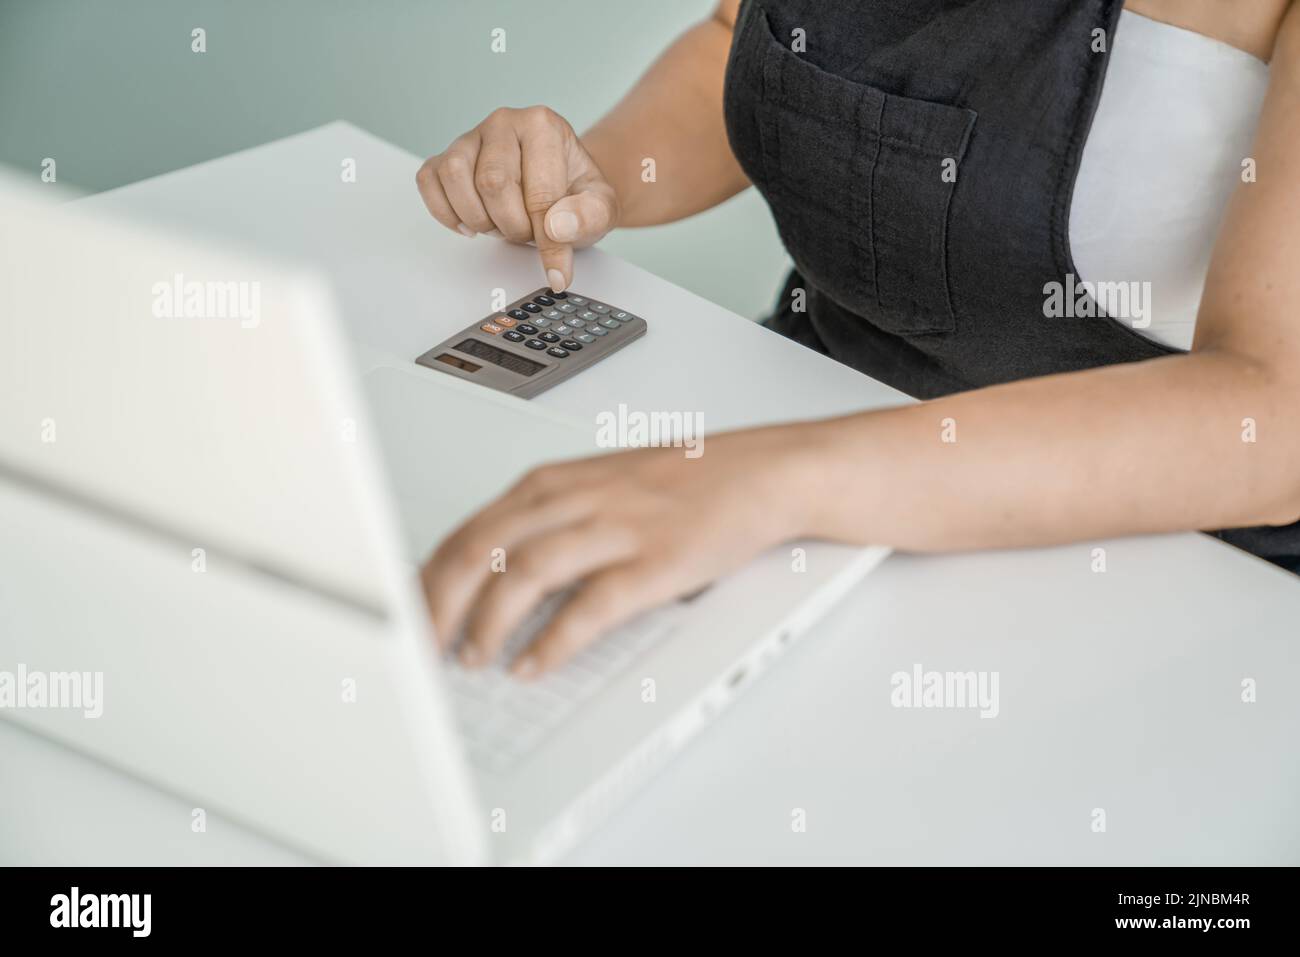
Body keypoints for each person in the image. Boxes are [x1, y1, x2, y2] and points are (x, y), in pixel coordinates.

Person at [414, 0, 1300, 678]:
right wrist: (598, 172)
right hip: (783, 468)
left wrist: (777, 479)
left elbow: (1272, 419)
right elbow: (743, 38)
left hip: (1163, 589)